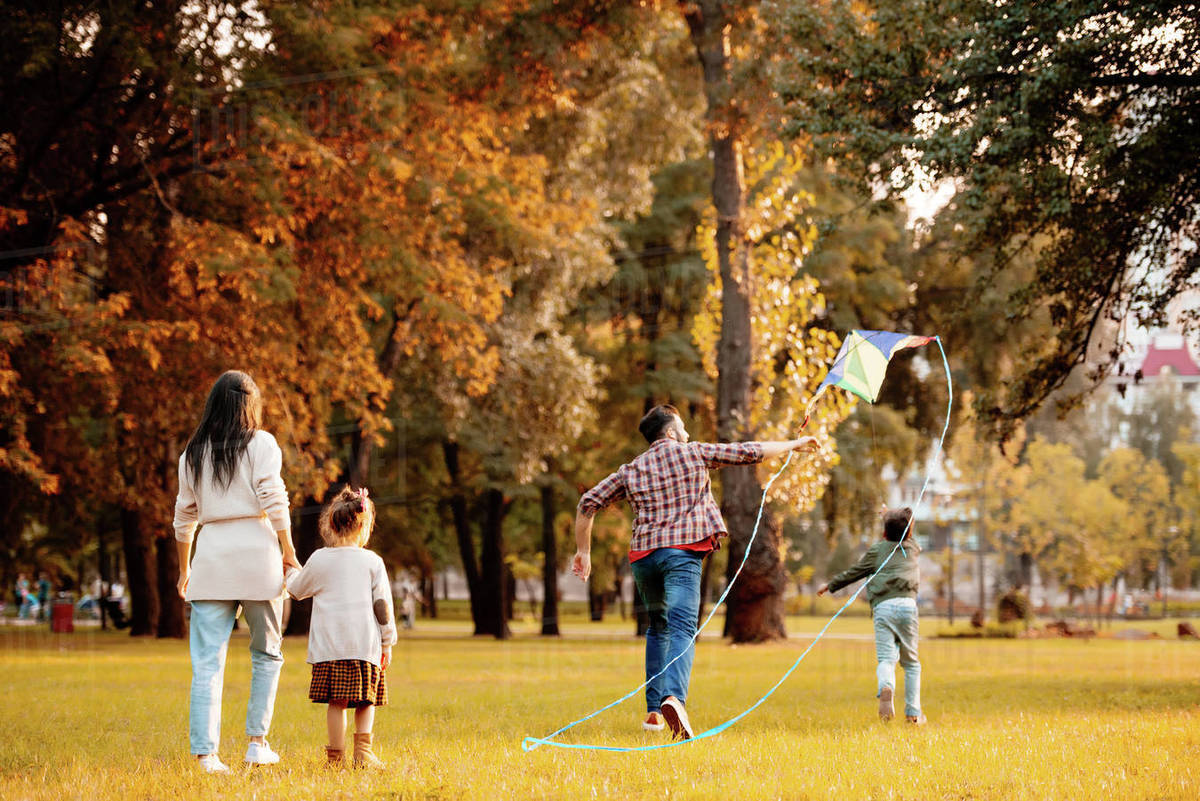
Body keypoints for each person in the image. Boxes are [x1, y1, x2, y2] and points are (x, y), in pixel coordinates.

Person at [572, 403, 819, 740]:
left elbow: (588, 502)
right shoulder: (693, 453)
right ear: (671, 432)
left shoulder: (630, 470)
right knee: (683, 627)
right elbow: (749, 452)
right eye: (683, 428)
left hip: (644, 558)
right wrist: (793, 445)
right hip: (681, 553)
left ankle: (653, 713)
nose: (688, 433)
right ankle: (674, 698)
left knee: (658, 628)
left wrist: (583, 553)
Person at [174, 370, 300, 773]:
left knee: (207, 662)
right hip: (259, 558)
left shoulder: (193, 453)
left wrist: (183, 571)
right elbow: (274, 498)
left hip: (211, 559)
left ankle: (206, 755)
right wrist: (288, 550)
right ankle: (257, 742)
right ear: (251, 405)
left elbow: (184, 518)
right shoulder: (262, 443)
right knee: (267, 653)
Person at [285, 486, 396, 768]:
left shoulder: (320, 559)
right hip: (364, 644)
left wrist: (289, 570)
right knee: (365, 701)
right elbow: (382, 606)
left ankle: (335, 757)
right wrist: (387, 642)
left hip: (329, 648)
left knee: (336, 703)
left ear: (331, 524)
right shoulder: (373, 562)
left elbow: (296, 590)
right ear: (364, 526)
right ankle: (364, 753)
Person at [818, 506, 925, 725]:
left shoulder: (877, 550)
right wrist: (889, 515)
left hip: (883, 608)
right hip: (907, 606)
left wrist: (831, 585)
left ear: (884, 533)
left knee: (886, 659)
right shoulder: (913, 547)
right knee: (911, 663)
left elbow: (855, 572)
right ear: (909, 532)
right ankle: (913, 715)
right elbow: (908, 526)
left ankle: (886, 686)